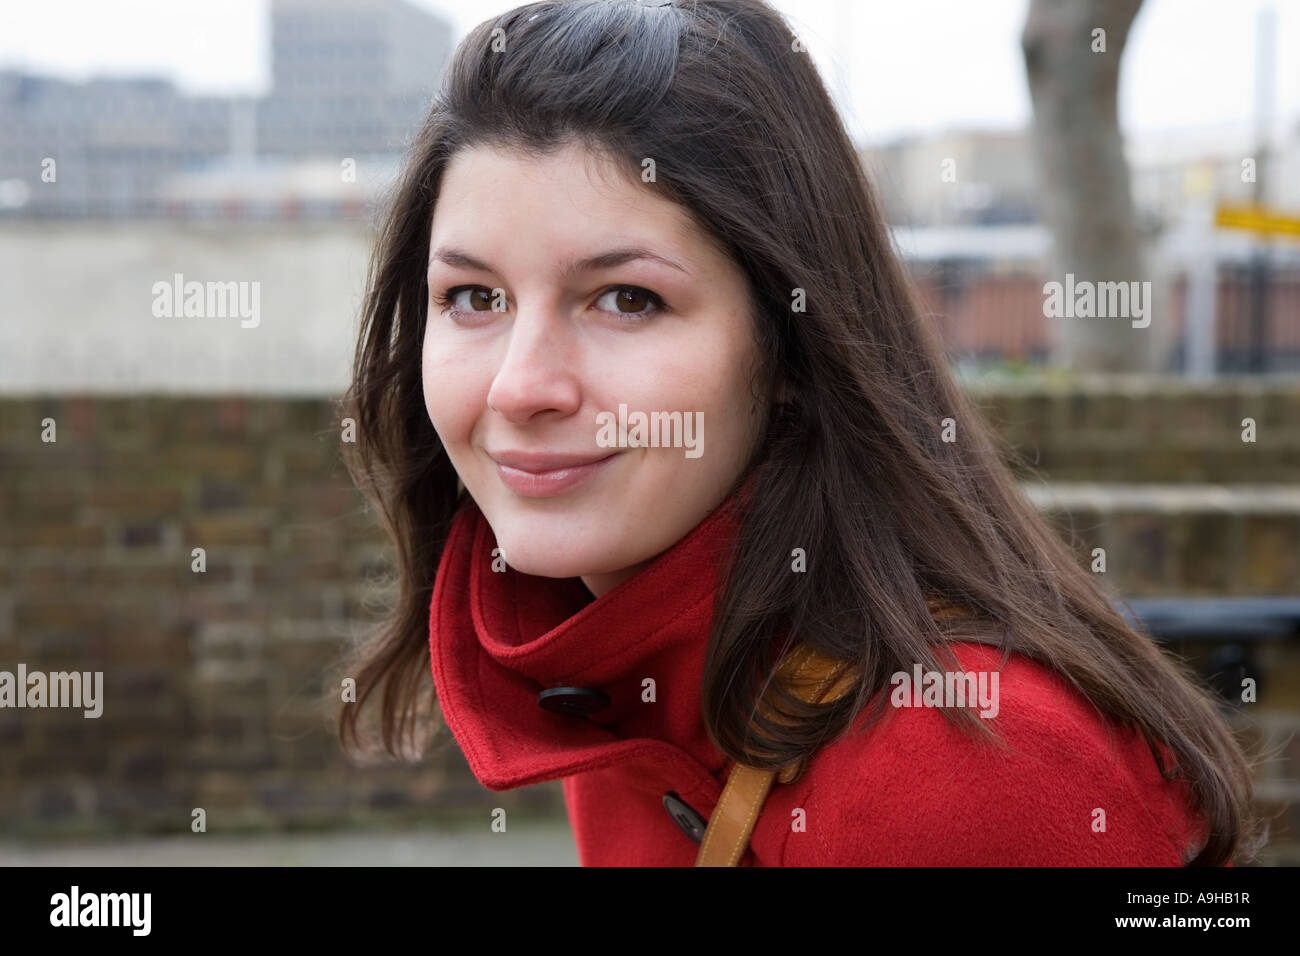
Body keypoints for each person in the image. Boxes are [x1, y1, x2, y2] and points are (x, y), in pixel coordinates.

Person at [336, 0, 1263, 866]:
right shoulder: (611, 678)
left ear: (789, 347)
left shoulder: (973, 774)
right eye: (474, 297)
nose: (520, 385)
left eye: (627, 299)